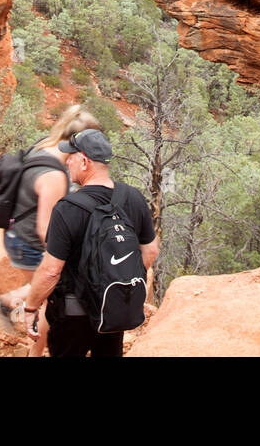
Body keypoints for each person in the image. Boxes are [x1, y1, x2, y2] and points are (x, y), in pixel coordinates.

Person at [22, 128, 159, 358]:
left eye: (71, 157)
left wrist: (31, 307)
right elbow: (151, 250)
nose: (67, 163)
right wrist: (119, 279)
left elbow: (50, 271)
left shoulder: (67, 208)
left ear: (84, 161)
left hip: (73, 313)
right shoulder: (133, 197)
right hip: (113, 306)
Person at [0, 105, 96, 356]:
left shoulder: (46, 146)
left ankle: (9, 301)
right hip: (30, 244)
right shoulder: (54, 176)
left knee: (46, 287)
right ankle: (35, 351)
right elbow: (45, 228)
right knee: (52, 297)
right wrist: (66, 258)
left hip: (17, 233)